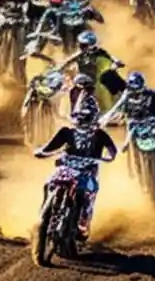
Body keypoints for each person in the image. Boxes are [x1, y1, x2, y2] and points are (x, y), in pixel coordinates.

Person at [34, 102, 118, 243]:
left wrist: (108, 157)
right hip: (65, 168)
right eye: (79, 117)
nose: (81, 121)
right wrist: (42, 152)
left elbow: (112, 150)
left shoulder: (100, 135)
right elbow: (50, 146)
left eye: (85, 118)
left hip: (87, 171)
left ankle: (84, 222)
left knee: (89, 193)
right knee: (49, 183)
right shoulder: (66, 132)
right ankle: (44, 213)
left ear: (93, 118)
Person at [99, 71, 155, 180]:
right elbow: (115, 109)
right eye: (134, 89)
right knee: (127, 146)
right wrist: (103, 120)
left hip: (151, 124)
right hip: (133, 126)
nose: (136, 93)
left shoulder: (152, 94)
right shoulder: (126, 96)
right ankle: (133, 171)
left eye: (138, 89)